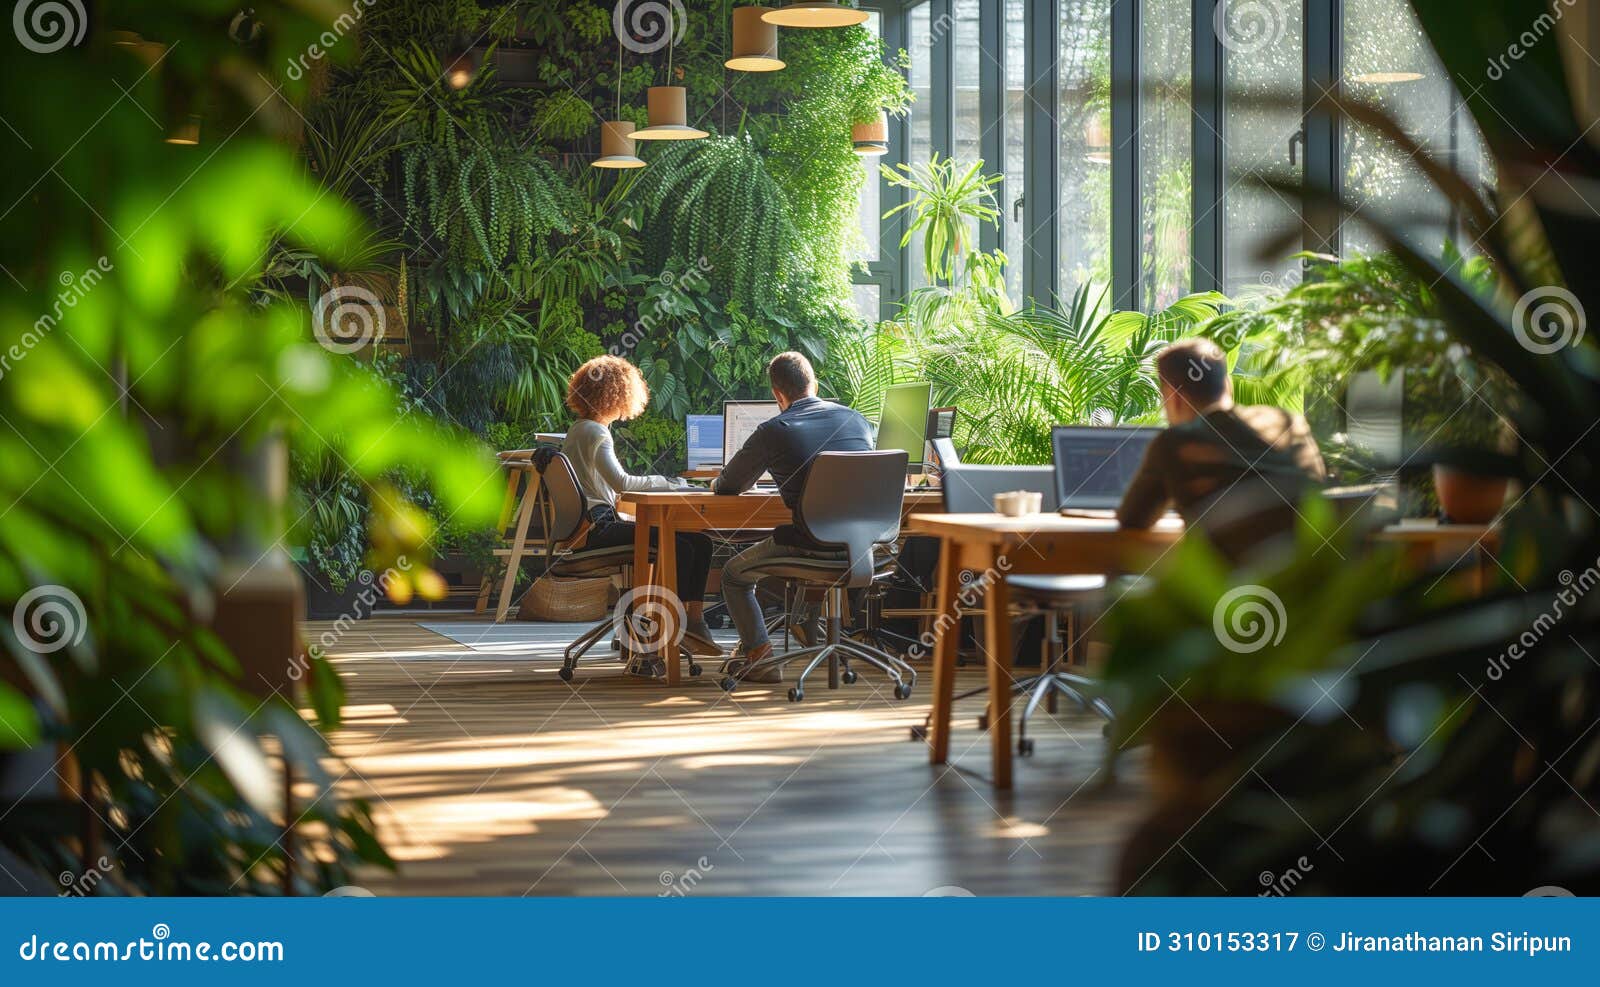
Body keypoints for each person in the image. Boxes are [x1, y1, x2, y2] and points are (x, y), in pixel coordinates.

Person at [713, 352, 874, 681]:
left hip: (811, 545)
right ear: (815, 384)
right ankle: (808, 632)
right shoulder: (857, 421)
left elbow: (729, 486)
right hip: (863, 547)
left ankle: (761, 659)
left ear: (778, 395)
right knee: (803, 538)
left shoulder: (774, 430)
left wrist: (716, 482)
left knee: (733, 574)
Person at [560, 356, 722, 659]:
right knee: (682, 546)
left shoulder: (579, 429)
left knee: (700, 541)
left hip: (590, 526)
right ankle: (672, 627)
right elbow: (622, 483)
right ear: (617, 394)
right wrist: (670, 483)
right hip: (597, 528)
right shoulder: (596, 432)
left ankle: (693, 623)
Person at [1117, 338, 1326, 557]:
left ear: (1173, 397)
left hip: (1231, 575)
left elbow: (1133, 519)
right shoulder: (1287, 423)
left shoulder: (1174, 443)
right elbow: (1321, 496)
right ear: (1227, 385)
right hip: (1313, 568)